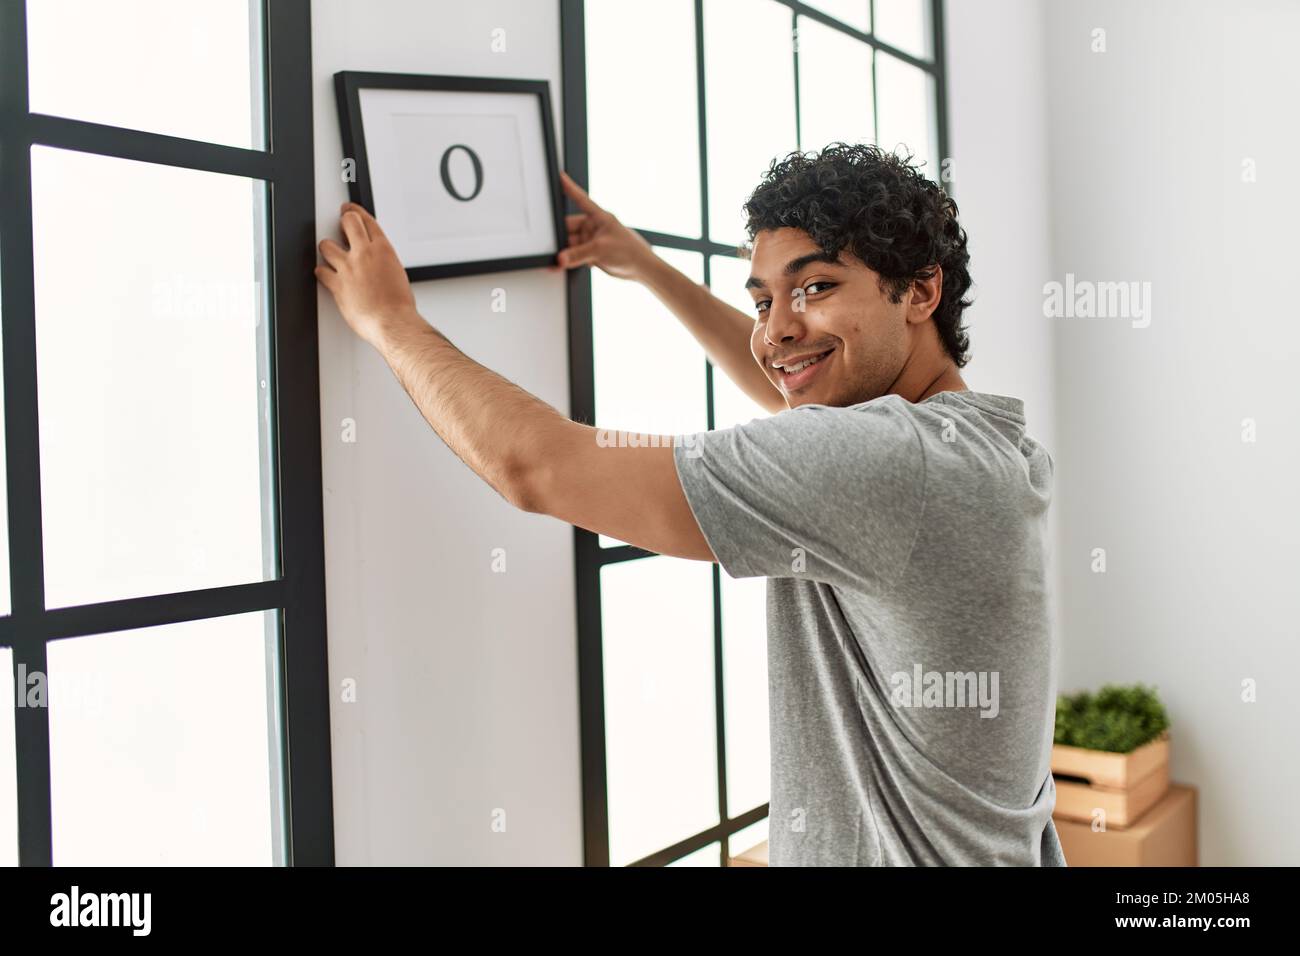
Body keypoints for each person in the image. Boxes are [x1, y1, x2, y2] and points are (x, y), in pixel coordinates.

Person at [315, 142, 1066, 866]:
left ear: (921, 291)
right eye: (765, 299)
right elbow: (795, 384)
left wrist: (392, 322)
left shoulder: (889, 462)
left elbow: (536, 466)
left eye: (817, 286)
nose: (775, 330)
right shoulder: (977, 444)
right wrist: (644, 267)